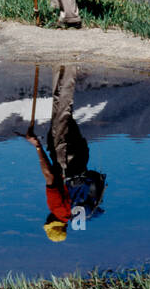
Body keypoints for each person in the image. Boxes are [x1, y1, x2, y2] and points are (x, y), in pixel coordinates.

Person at [26, 65, 106, 241]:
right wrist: (37, 146)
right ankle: (69, 67)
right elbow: (49, 177)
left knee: (60, 110)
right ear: (52, 223)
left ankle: (59, 68)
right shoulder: (58, 209)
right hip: (65, 157)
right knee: (63, 110)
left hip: (79, 157)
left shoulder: (72, 212)